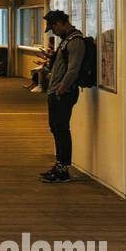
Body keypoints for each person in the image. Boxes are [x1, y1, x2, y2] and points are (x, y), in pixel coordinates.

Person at [39, 10, 84, 183]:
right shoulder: (66, 41)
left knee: (62, 129)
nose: (53, 32)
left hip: (63, 93)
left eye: (53, 28)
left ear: (60, 23)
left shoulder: (75, 41)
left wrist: (62, 88)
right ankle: (59, 164)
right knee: (56, 128)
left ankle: (63, 168)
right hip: (56, 92)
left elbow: (74, 68)